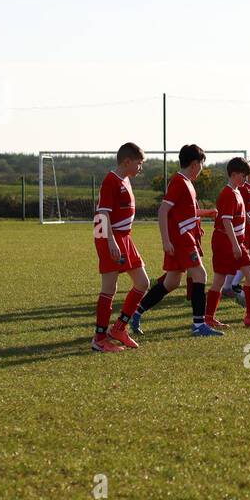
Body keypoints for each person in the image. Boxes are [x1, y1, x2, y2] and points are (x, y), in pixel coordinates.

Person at [128, 144, 221, 337]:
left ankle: (136, 313)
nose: (202, 169)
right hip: (181, 241)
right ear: (195, 164)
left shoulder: (187, 182)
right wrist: (166, 241)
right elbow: (163, 211)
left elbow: (185, 212)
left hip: (185, 239)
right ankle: (198, 325)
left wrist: (206, 213)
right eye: (202, 164)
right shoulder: (179, 182)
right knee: (200, 275)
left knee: (171, 282)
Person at [91, 143, 151, 351]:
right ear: (127, 162)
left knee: (142, 282)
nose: (140, 168)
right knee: (109, 287)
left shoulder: (125, 179)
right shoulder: (111, 181)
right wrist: (110, 242)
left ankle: (118, 329)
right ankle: (99, 339)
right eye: (139, 163)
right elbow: (102, 214)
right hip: (110, 236)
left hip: (124, 237)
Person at [205, 157, 250, 328]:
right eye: (243, 175)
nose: (245, 179)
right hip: (225, 242)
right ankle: (208, 318)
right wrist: (235, 245)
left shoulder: (237, 191)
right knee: (219, 280)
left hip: (237, 242)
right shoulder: (228, 193)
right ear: (234, 174)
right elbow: (226, 221)